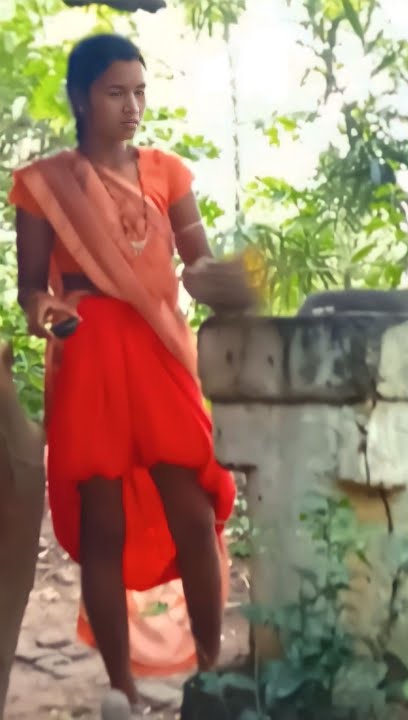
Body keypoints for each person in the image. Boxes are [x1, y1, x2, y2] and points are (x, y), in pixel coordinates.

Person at [7, 33, 243, 715]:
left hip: (160, 351)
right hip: (89, 354)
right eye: (116, 93)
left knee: (194, 515)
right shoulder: (44, 185)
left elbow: (197, 265)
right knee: (103, 526)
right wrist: (47, 313)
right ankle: (122, 688)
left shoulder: (168, 172)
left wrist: (229, 284)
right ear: (82, 98)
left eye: (139, 92)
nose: (132, 107)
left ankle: (209, 670)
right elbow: (30, 291)